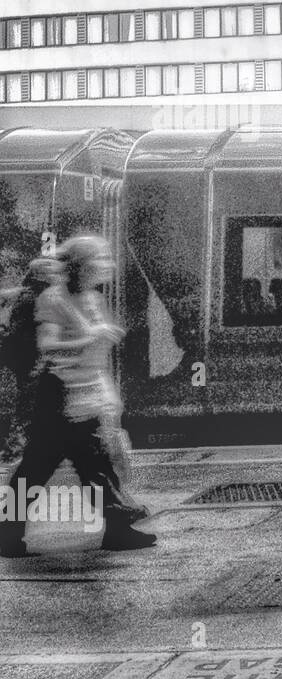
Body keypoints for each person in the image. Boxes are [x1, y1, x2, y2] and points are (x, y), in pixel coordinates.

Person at [0, 237, 154, 557]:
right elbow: (49, 347)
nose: (108, 264)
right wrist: (92, 337)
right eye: (100, 258)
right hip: (58, 397)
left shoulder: (93, 299)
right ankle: (7, 533)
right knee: (36, 470)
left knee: (97, 467)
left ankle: (117, 529)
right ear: (81, 266)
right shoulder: (52, 300)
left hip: (89, 395)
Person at [1, 256, 61, 465]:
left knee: (27, 406)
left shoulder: (25, 296)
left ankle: (16, 450)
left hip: (26, 361)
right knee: (28, 407)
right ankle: (15, 450)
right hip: (32, 361)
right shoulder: (36, 298)